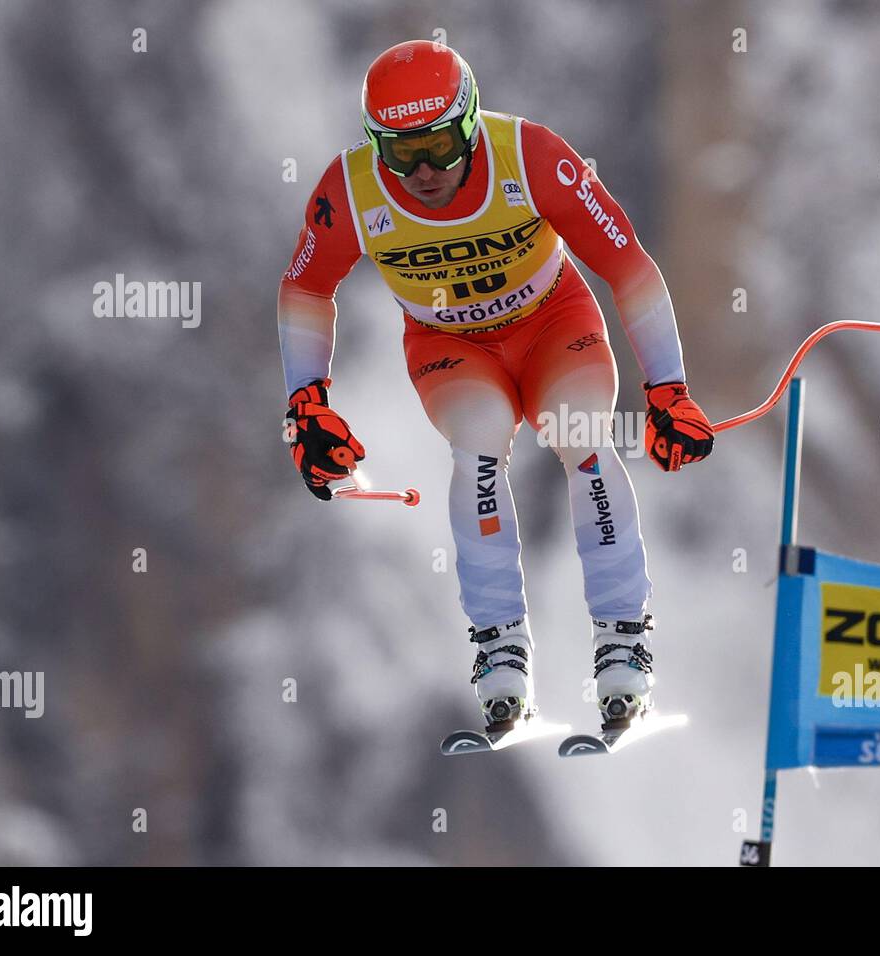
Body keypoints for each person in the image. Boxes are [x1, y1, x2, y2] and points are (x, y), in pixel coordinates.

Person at [278, 39, 714, 731]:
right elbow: (306, 289)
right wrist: (307, 405)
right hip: (449, 344)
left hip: (554, 324)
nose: (423, 171)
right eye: (400, 152)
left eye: (442, 145)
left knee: (582, 440)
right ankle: (499, 649)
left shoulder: (530, 155)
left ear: (472, 121)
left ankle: (623, 642)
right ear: (373, 147)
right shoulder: (351, 189)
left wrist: (668, 388)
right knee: (478, 449)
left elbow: (628, 265)